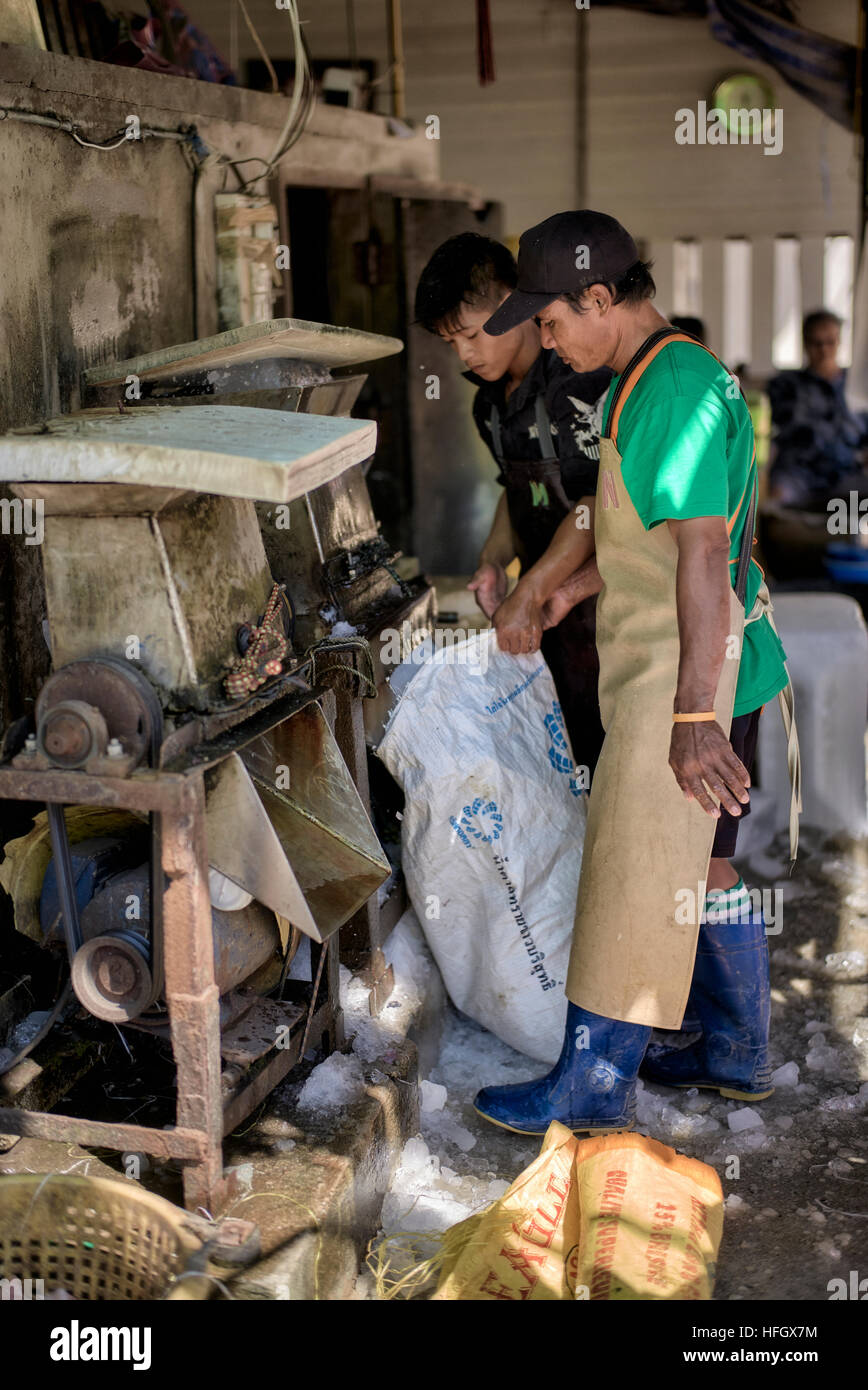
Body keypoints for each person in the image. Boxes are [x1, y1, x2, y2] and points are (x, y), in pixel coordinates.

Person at [470, 210, 799, 1136]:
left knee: (631, 865)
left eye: (551, 320)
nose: (545, 338)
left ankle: (587, 1086)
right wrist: (566, 596)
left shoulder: (678, 395)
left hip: (694, 670)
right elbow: (635, 536)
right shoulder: (638, 381)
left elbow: (699, 557)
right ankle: (735, 1051)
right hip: (679, 659)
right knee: (702, 860)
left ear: (601, 299)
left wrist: (695, 717)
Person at [414, 233, 611, 777]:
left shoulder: (578, 382)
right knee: (566, 762)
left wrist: (532, 587)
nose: (465, 354)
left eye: (472, 334)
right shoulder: (490, 407)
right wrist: (493, 560)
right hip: (551, 620)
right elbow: (516, 490)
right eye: (449, 343)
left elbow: (598, 505)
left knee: (613, 756)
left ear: (513, 304)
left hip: (605, 608)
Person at [767, 309, 868, 509]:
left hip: (846, 473)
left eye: (830, 342)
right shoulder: (785, 386)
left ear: (839, 342)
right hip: (798, 474)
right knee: (775, 503)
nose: (824, 350)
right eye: (816, 343)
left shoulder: (857, 386)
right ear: (805, 344)